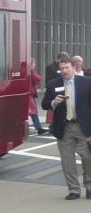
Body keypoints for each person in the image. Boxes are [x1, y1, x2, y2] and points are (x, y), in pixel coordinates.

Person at [41, 55, 91, 199]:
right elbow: (45, 104)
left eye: (67, 68)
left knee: (87, 157)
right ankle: (73, 189)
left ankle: (89, 185)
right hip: (64, 127)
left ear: (74, 68)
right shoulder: (53, 84)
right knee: (67, 160)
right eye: (61, 68)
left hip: (83, 126)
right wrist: (54, 103)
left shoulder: (86, 82)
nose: (64, 71)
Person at [28, 57, 48, 136]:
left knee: (31, 112)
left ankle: (38, 127)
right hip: (30, 95)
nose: (35, 65)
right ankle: (38, 127)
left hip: (27, 95)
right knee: (33, 112)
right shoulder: (31, 74)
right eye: (33, 63)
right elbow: (38, 79)